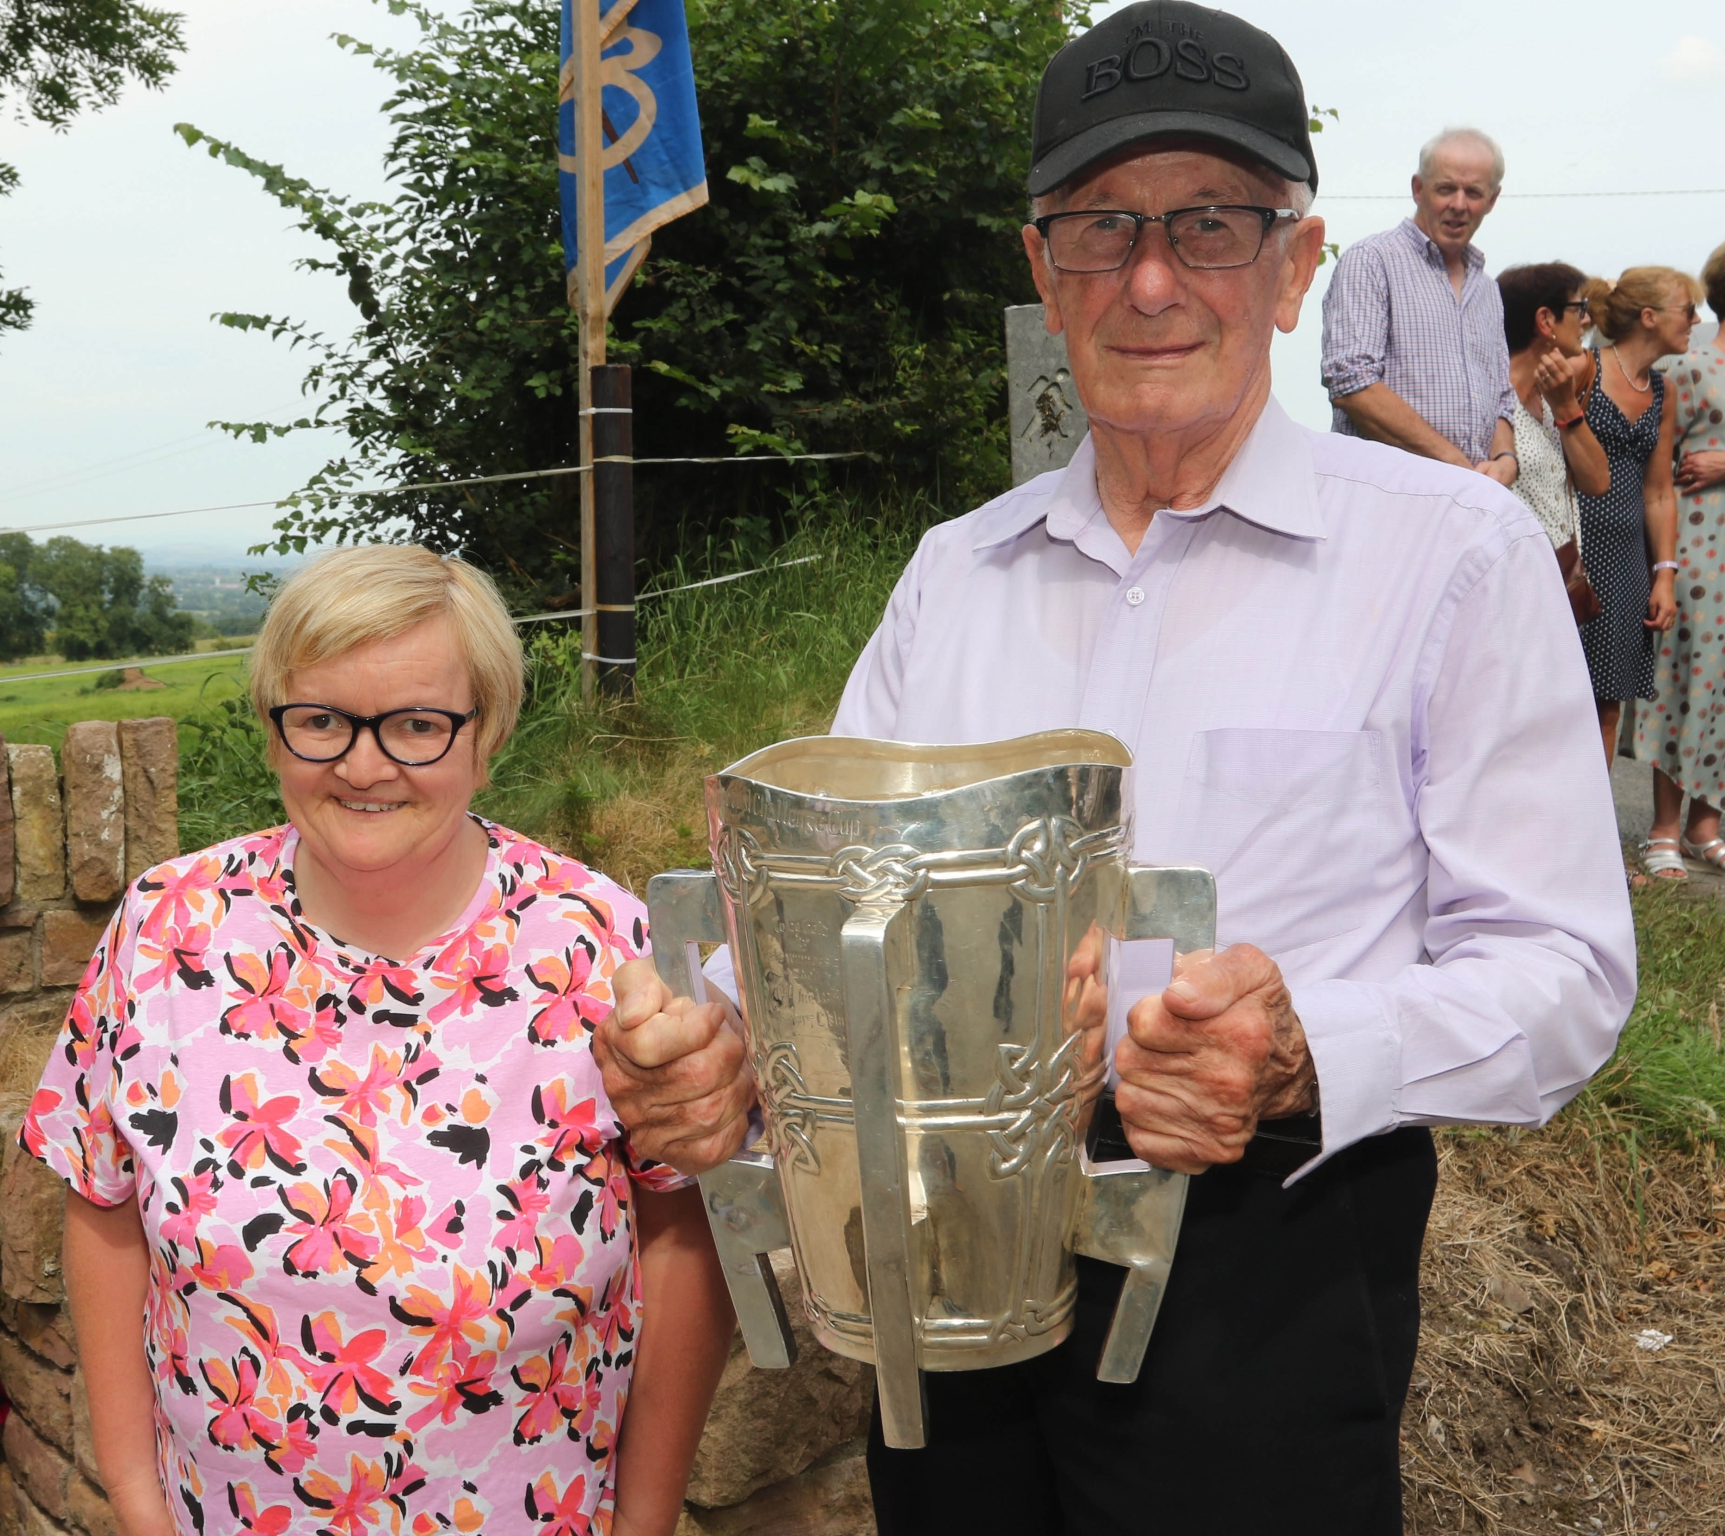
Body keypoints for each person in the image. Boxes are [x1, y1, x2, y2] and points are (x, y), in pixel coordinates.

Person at [593, 5, 1634, 1533]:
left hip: (1264, 1269)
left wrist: (1302, 1048)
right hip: (939, 1265)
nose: (1151, 279)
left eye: (1211, 224)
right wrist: (729, 1061)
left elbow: (1566, 973)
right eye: (1099, 228)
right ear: (1041, 269)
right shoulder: (954, 579)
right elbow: (826, 924)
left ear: (1294, 267)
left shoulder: (1448, 553)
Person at [19, 547, 734, 1536]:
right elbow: (103, 1205)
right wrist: (138, 1499)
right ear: (273, 732)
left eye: (415, 725)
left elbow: (685, 1231)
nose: (362, 765)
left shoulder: (601, 947)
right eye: (320, 721)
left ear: (487, 738)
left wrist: (646, 1521)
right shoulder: (163, 931)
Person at [1321, 127, 1518, 484]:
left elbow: (1503, 398)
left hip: (1469, 507)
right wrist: (1456, 466)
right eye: (1445, 188)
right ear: (1417, 188)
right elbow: (1352, 383)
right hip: (1386, 501)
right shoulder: (1372, 261)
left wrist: (1506, 459)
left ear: (1492, 199)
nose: (1458, 204)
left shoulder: (1488, 290)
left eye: (1473, 192)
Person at [1575, 267, 1694, 855]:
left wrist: (1664, 575)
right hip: (1572, 548)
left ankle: (1589, 843)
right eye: (1685, 309)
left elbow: (1659, 490)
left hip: (1626, 559)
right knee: (1557, 696)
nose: (1694, 320)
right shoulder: (1585, 369)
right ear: (1649, 317)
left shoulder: (1664, 390)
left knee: (1606, 703)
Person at [1641, 245, 1725, 872]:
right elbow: (1654, 465)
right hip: (1698, 540)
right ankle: (1666, 826)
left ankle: (1707, 821)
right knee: (1686, 670)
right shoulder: (1685, 366)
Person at [1498, 262, 1609, 553]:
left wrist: (1567, 407)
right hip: (1513, 582)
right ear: (1546, 320)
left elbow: (1598, 482)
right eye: (1578, 309)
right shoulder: (1488, 402)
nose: (1585, 321)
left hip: (1559, 581)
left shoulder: (1551, 397)